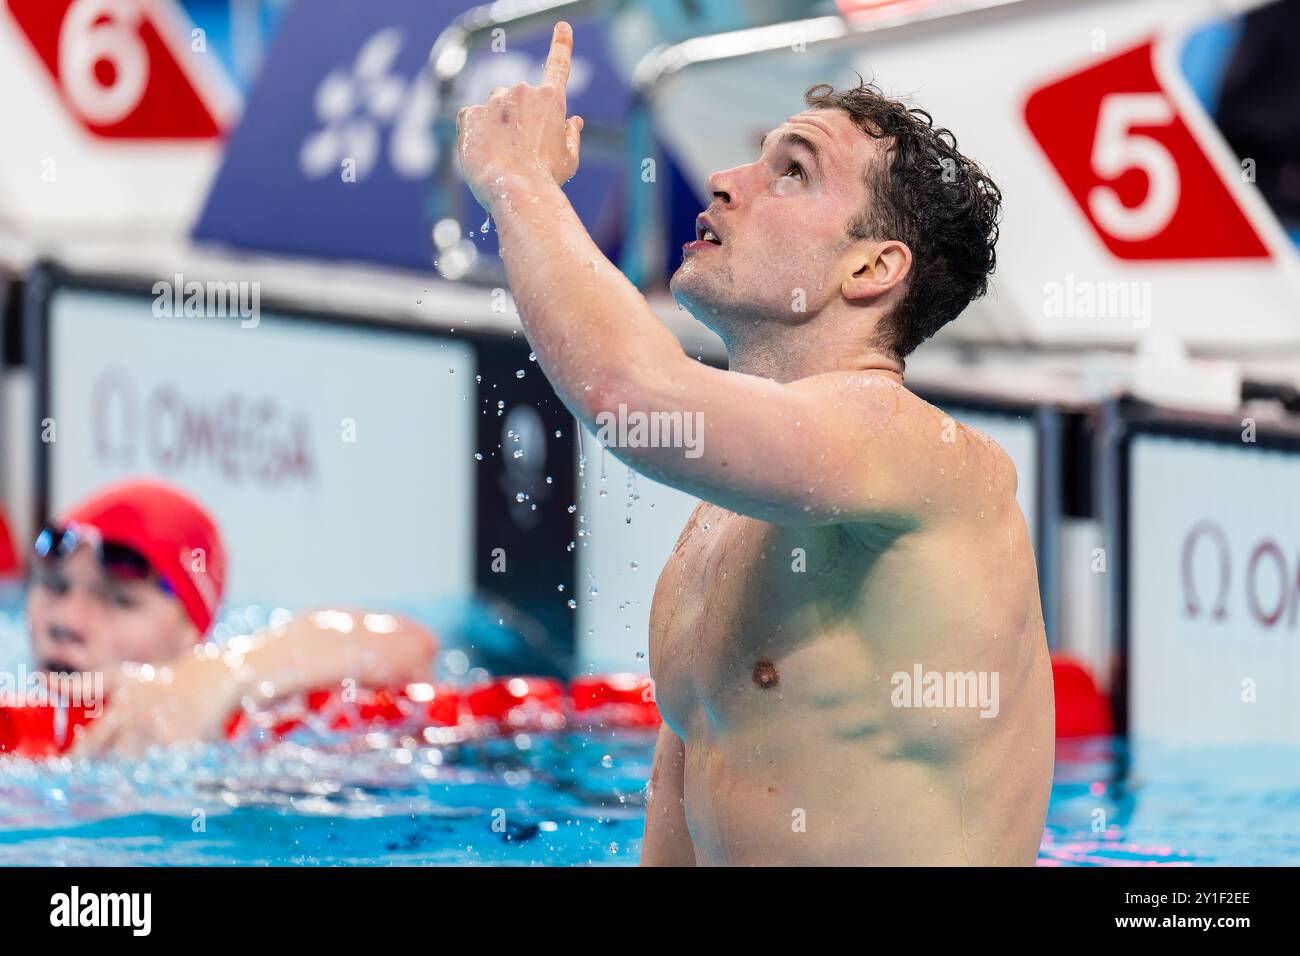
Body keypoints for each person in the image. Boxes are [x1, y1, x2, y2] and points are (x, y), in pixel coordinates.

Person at [457, 22, 1053, 865]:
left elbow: (628, 397)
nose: (727, 183)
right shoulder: (723, 523)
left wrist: (517, 181)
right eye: (755, 157)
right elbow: (683, 818)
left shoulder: (919, 452)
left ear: (871, 269)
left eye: (792, 172)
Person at [25, 478, 435, 757]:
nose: (66, 620)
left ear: (191, 633)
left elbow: (410, 645)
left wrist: (214, 677)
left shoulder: (247, 730)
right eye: (54, 587)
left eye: (120, 601)